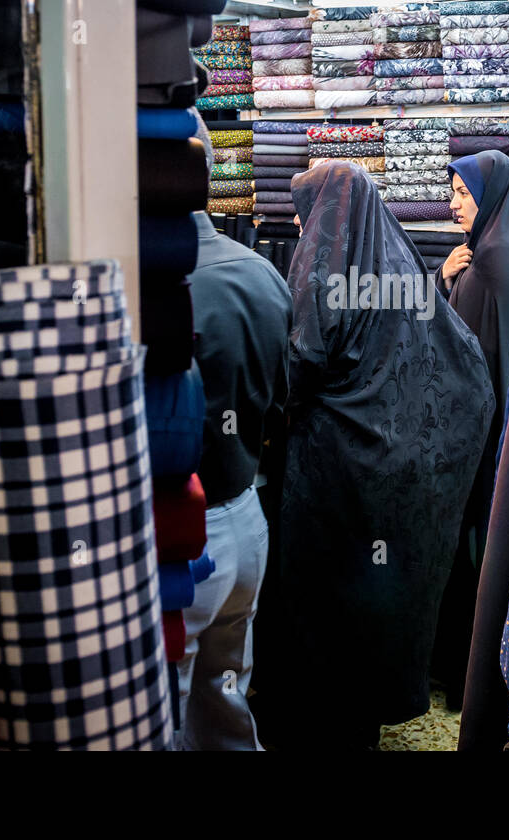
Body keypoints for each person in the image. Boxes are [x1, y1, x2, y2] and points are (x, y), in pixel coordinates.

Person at [272, 160, 494, 749]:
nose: (300, 232)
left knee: (325, 623)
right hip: (392, 483)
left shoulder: (324, 275)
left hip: (337, 485)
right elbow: (468, 367)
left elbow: (300, 363)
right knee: (368, 618)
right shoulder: (397, 270)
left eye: (303, 220)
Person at [177, 208, 292, 750]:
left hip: (181, 530)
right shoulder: (261, 273)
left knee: (168, 707)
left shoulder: (148, 283)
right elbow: (278, 398)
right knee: (225, 696)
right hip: (245, 514)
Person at [429, 150, 509, 710]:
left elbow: (457, 361)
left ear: (490, 197)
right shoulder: (500, 254)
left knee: (470, 561)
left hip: (479, 443)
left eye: (463, 194)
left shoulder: (493, 263)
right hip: (497, 438)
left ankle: (467, 675)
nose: (452, 206)